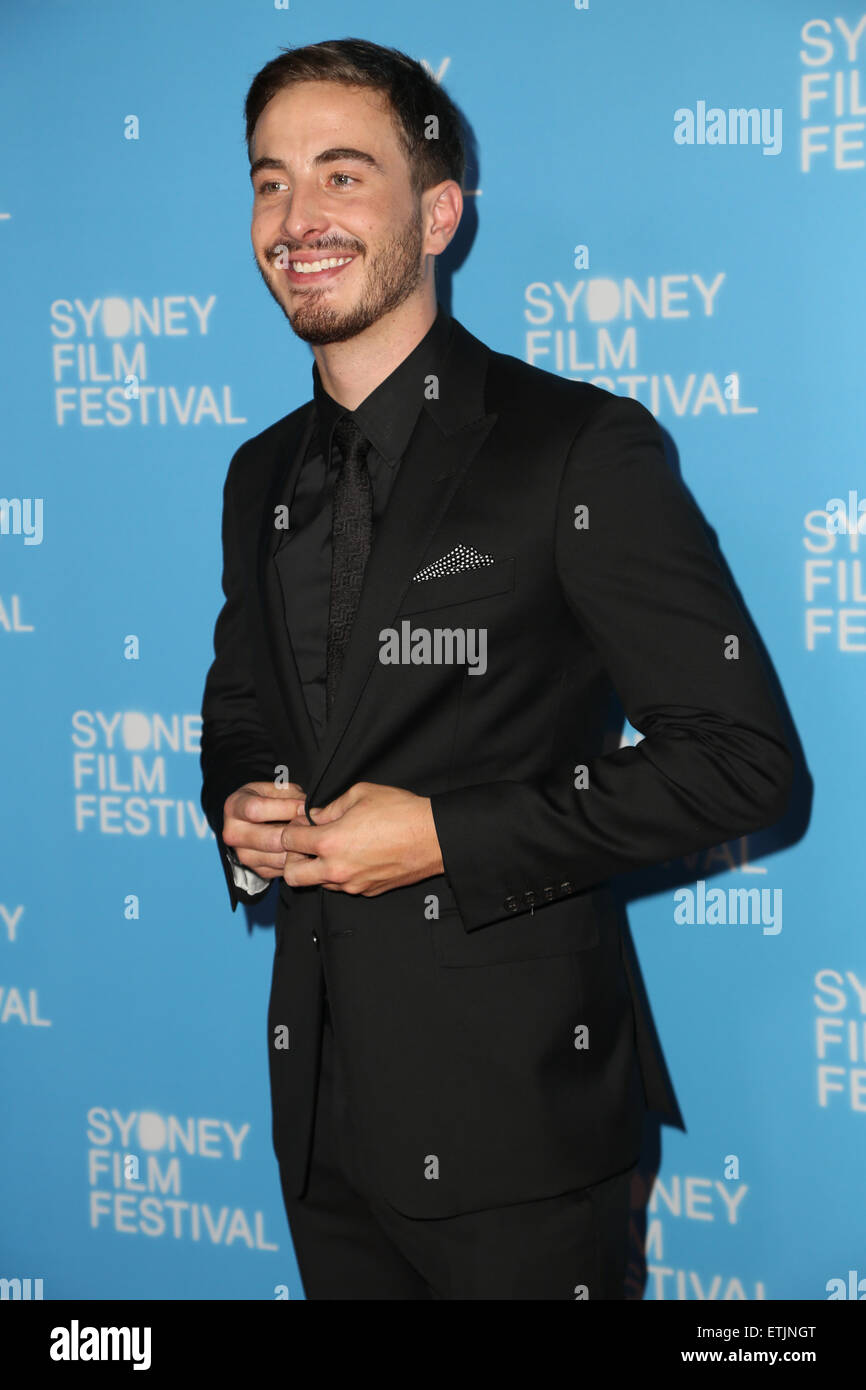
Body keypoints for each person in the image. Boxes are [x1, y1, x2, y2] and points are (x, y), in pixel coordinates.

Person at [200, 37, 793, 1300]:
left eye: (341, 175)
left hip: (519, 1128)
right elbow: (245, 707)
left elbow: (741, 767)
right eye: (268, 180)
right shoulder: (258, 475)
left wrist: (445, 838)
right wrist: (237, 803)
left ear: (439, 210)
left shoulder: (576, 449)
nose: (296, 217)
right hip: (319, 1117)